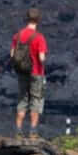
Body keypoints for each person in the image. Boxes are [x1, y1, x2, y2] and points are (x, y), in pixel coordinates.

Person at [11, 7, 48, 139]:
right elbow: (41, 57)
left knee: (22, 100)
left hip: (22, 72)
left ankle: (18, 131)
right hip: (36, 72)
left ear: (26, 19)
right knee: (35, 101)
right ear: (38, 20)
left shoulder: (17, 36)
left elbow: (12, 54)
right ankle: (32, 132)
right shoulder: (39, 37)